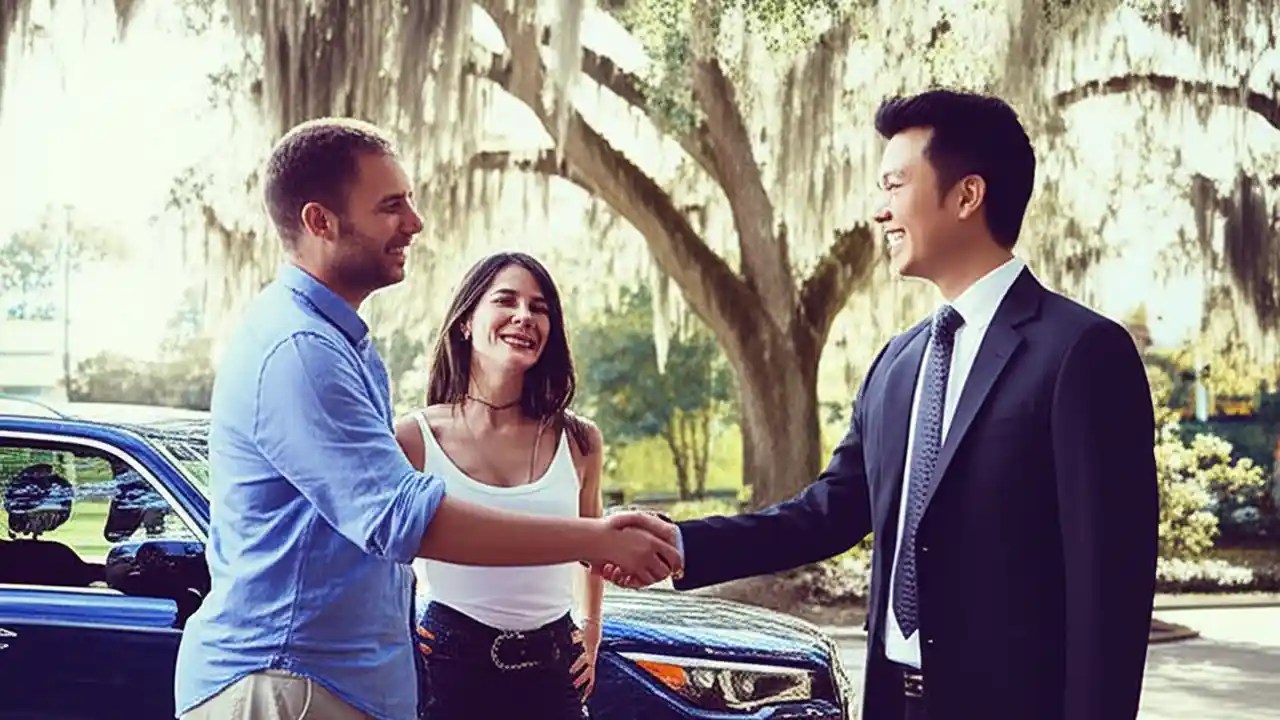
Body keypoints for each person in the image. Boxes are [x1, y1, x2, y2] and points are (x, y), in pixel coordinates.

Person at [605, 89, 1159, 720]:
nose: (879, 211)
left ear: (967, 195)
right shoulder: (898, 363)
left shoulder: (1081, 353)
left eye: (895, 185)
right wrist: (681, 545)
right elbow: (828, 514)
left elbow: (1108, 589)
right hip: (896, 700)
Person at [174, 118, 680, 720]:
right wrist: (596, 538)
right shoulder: (301, 351)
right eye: (391, 205)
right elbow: (403, 521)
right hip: (288, 681)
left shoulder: (336, 343)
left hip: (335, 682)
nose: (414, 223)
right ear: (320, 221)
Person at [395, 251, 603, 719]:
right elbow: (379, 552)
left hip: (555, 671)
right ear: (466, 322)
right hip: (447, 667)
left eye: (539, 308)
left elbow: (594, 547)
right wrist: (401, 629)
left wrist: (591, 629)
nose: (524, 316)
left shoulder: (580, 440)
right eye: (506, 300)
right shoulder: (412, 439)